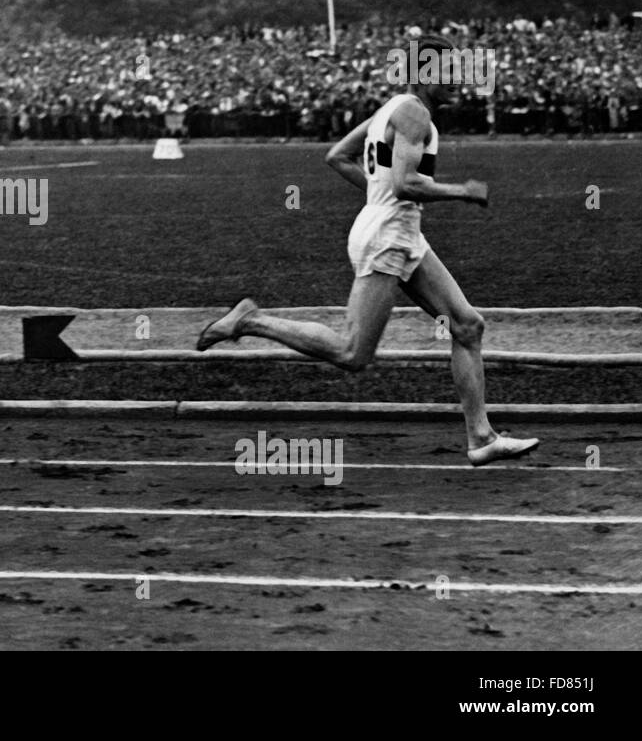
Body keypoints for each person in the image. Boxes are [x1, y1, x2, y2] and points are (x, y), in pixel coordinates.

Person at [196, 35, 539, 467]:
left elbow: (337, 156)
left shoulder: (391, 108)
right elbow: (405, 184)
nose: (460, 80)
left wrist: (379, 199)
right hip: (388, 237)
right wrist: (463, 191)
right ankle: (250, 320)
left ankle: (482, 437)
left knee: (467, 326)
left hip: (398, 231)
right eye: (451, 71)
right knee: (352, 352)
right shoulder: (415, 114)